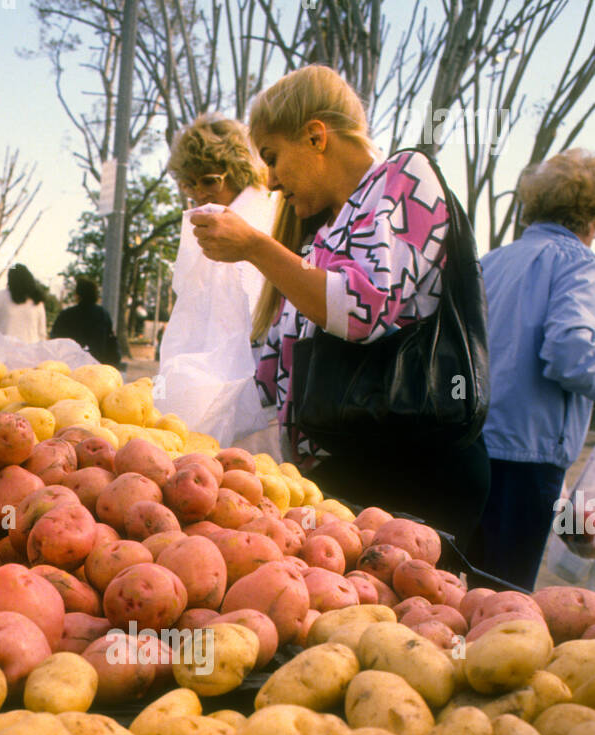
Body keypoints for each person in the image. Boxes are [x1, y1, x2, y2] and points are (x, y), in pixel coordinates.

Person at [191, 66, 492, 552]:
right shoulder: (327, 235)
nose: (268, 181)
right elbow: (275, 373)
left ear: (315, 136)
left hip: (414, 470)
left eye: (272, 157)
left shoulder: (405, 178)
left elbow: (362, 310)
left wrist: (254, 247)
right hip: (347, 480)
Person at [471, 149, 595, 589]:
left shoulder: (491, 262)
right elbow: (568, 352)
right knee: (506, 596)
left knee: (463, 586)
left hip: (471, 447)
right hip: (530, 458)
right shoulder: (579, 264)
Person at [159, 115, 278, 444]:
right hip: (226, 395)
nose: (199, 192)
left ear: (238, 174)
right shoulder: (214, 228)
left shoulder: (263, 222)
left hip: (259, 399)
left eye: (210, 181)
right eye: (190, 183)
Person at [50, 277, 120, 365]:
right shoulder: (103, 314)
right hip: (98, 364)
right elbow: (109, 340)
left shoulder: (67, 314)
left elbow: (55, 338)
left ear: (78, 295)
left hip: (70, 364)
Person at [0, 264, 47, 342]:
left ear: (10, 279)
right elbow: (42, 333)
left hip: (4, 350)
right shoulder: (37, 301)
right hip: (31, 351)